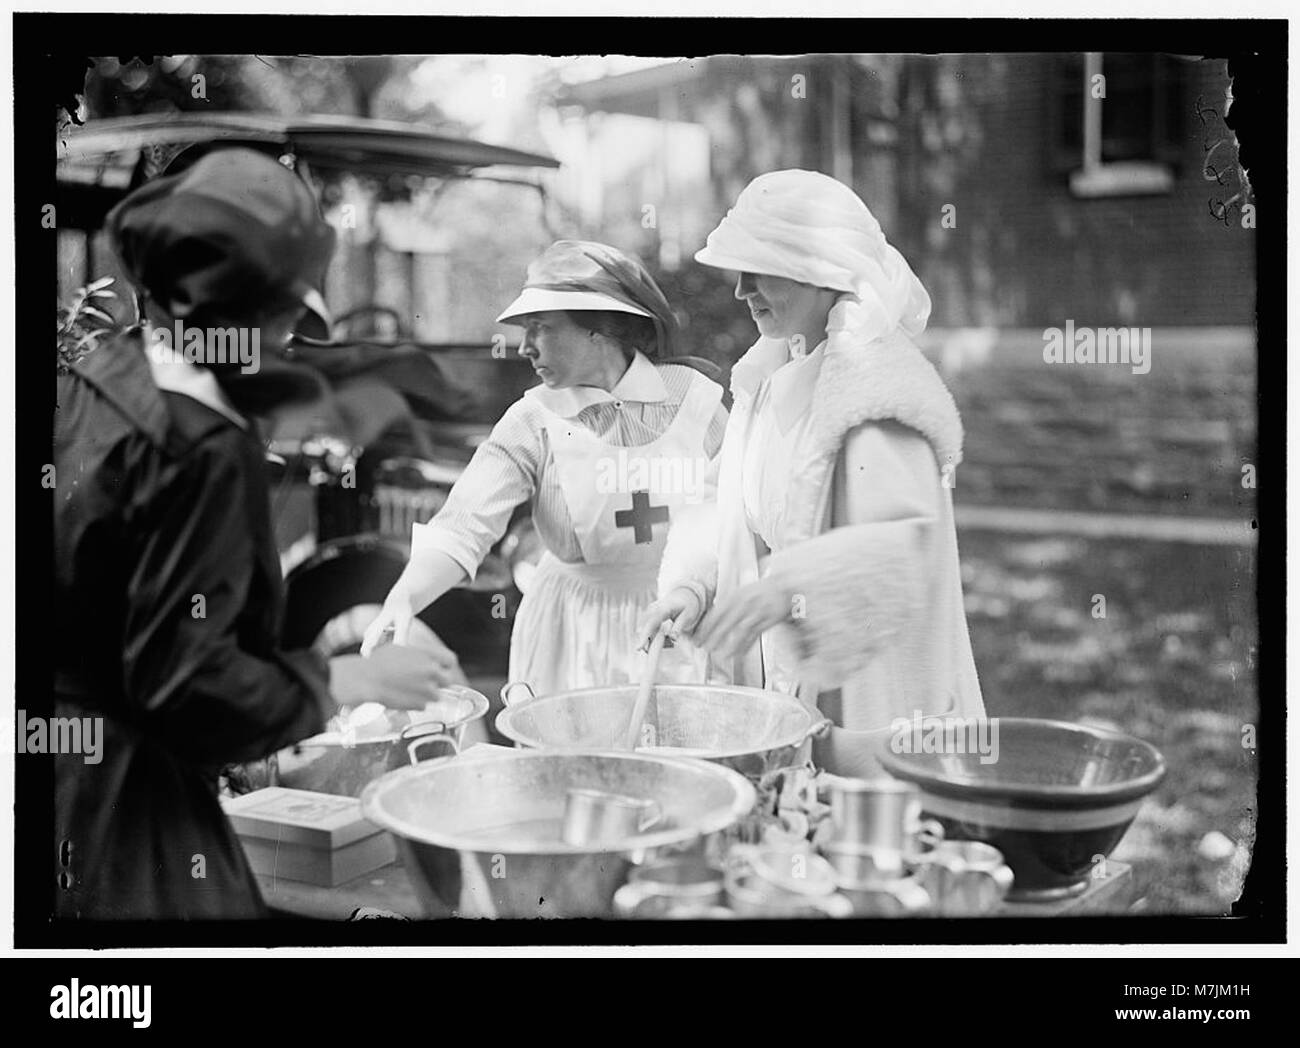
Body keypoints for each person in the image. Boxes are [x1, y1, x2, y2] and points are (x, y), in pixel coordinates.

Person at [53, 148, 456, 920]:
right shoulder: (203, 446)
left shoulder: (97, 377)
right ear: (260, 314)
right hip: (121, 814)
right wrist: (349, 681)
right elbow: (184, 681)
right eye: (289, 317)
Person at [637, 170, 984, 777]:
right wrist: (692, 585)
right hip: (786, 675)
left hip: (872, 685)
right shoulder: (767, 382)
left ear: (822, 268)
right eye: (738, 272)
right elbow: (723, 500)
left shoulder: (878, 391)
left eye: (760, 269)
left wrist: (789, 588)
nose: (742, 290)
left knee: (872, 837)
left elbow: (904, 544)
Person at [362, 240, 727, 698]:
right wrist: (405, 598)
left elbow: (735, 514)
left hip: (677, 621)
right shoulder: (531, 420)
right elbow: (466, 523)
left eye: (540, 327)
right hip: (572, 632)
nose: (525, 348)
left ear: (601, 329)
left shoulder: (698, 402)